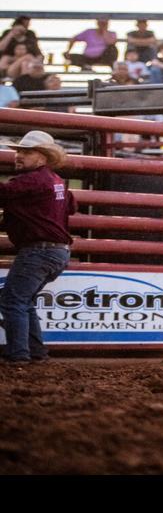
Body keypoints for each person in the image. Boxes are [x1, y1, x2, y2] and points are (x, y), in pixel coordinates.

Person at [0, 131, 72, 365]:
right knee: (24, 300)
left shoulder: (32, 180)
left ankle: (18, 355)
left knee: (13, 300)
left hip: (38, 251)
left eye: (26, 152)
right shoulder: (56, 180)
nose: (18, 156)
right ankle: (36, 352)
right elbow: (71, 205)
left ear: (41, 158)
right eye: (18, 152)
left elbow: (4, 193)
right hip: (56, 252)